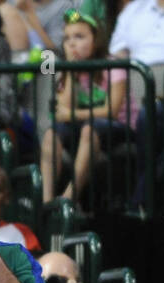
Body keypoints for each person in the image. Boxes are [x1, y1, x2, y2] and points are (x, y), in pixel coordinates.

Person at [40, 8, 129, 204]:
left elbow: (111, 111)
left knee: (90, 128)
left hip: (119, 128)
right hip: (84, 125)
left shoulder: (113, 65)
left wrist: (71, 114)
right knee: (51, 134)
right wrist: (71, 72)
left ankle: (69, 198)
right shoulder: (67, 69)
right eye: (67, 38)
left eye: (79, 36)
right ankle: (45, 202)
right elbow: (62, 113)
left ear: (95, 40)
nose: (71, 43)